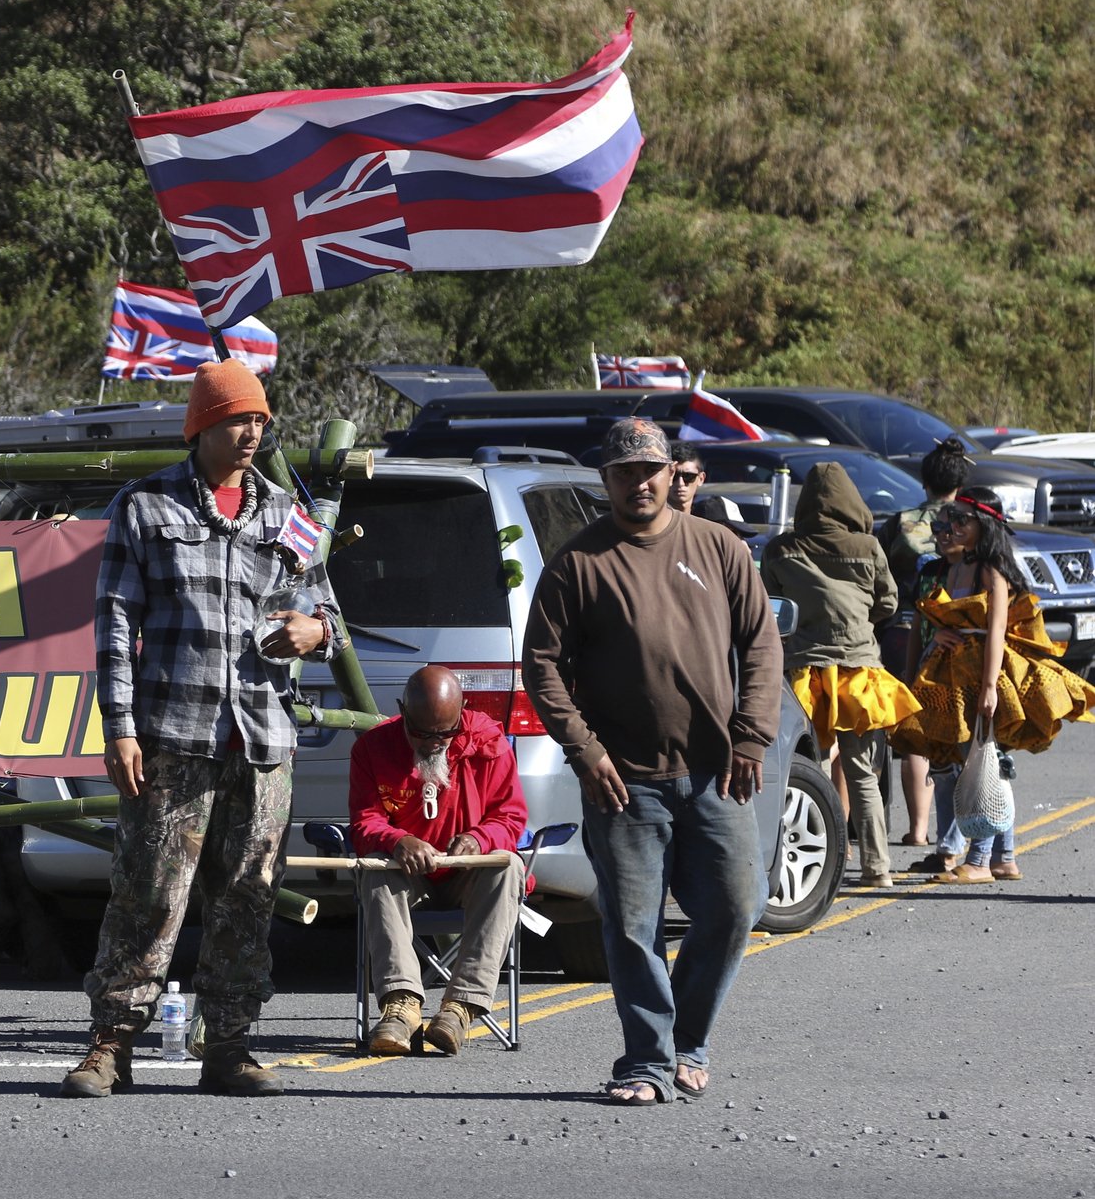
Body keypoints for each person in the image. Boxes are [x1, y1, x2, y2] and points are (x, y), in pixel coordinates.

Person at [60, 359, 340, 1099]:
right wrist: (120, 726)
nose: (249, 433)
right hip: (174, 735)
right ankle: (110, 1044)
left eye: (257, 421)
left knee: (248, 895)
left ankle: (232, 1045)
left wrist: (315, 631)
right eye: (234, 421)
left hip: (263, 743)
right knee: (149, 892)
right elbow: (115, 622)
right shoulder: (145, 507)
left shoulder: (289, 513)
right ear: (201, 425)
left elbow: (331, 616)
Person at [522, 417, 781, 1106]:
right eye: (623, 471)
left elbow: (761, 644)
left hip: (716, 772)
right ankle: (647, 1060)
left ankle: (687, 1043)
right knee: (633, 926)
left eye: (650, 468)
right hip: (623, 782)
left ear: (673, 472)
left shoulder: (719, 548)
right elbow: (542, 666)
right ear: (604, 481)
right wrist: (585, 749)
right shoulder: (578, 564)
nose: (639, 481)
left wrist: (752, 733)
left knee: (735, 907)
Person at [888, 487, 1095, 882]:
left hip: (983, 677)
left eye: (963, 520)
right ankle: (1004, 858)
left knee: (982, 761)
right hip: (952, 677)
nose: (953, 526)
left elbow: (997, 629)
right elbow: (939, 620)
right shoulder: (952, 569)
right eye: (952, 519)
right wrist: (939, 637)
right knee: (972, 761)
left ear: (983, 525)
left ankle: (980, 860)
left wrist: (987, 688)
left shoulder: (991, 570)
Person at [346, 664, 528, 1056]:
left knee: (509, 865)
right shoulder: (371, 748)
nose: (434, 743)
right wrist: (396, 840)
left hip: (467, 875)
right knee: (375, 870)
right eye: (423, 733)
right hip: (409, 875)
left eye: (446, 733)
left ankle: (461, 1005)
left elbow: (510, 816)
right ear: (402, 712)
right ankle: (402, 1004)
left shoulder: (488, 741)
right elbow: (365, 821)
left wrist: (480, 839)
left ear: (462, 712)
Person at [759, 463, 920, 889]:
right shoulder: (867, 546)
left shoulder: (780, 550)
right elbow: (887, 601)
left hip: (803, 675)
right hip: (858, 673)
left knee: (800, 774)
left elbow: (767, 605)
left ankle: (796, 871)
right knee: (864, 775)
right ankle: (877, 867)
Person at [878, 438, 973, 845]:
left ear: (925, 480)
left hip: (903, 629)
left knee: (912, 727)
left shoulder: (900, 521)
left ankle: (917, 828)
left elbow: (877, 571)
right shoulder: (966, 522)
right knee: (953, 726)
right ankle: (956, 829)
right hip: (958, 638)